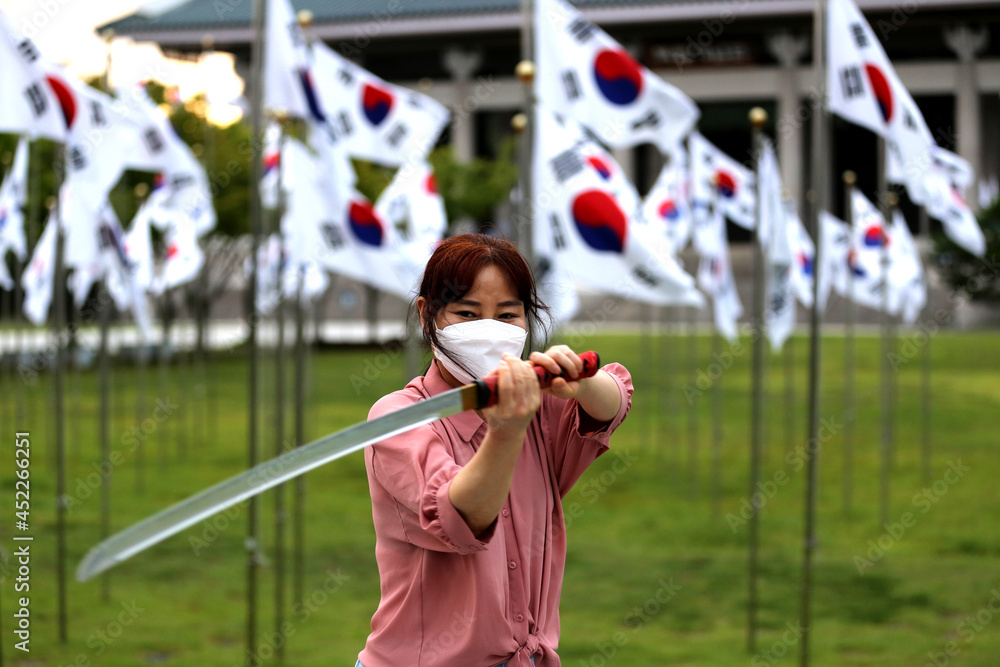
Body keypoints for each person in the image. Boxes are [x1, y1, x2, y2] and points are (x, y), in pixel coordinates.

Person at [357, 234, 633, 667]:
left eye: (507, 315)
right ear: (427, 313)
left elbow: (614, 401)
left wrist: (580, 382)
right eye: (467, 313)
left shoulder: (538, 403)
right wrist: (506, 434)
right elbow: (462, 517)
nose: (489, 330)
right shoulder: (400, 418)